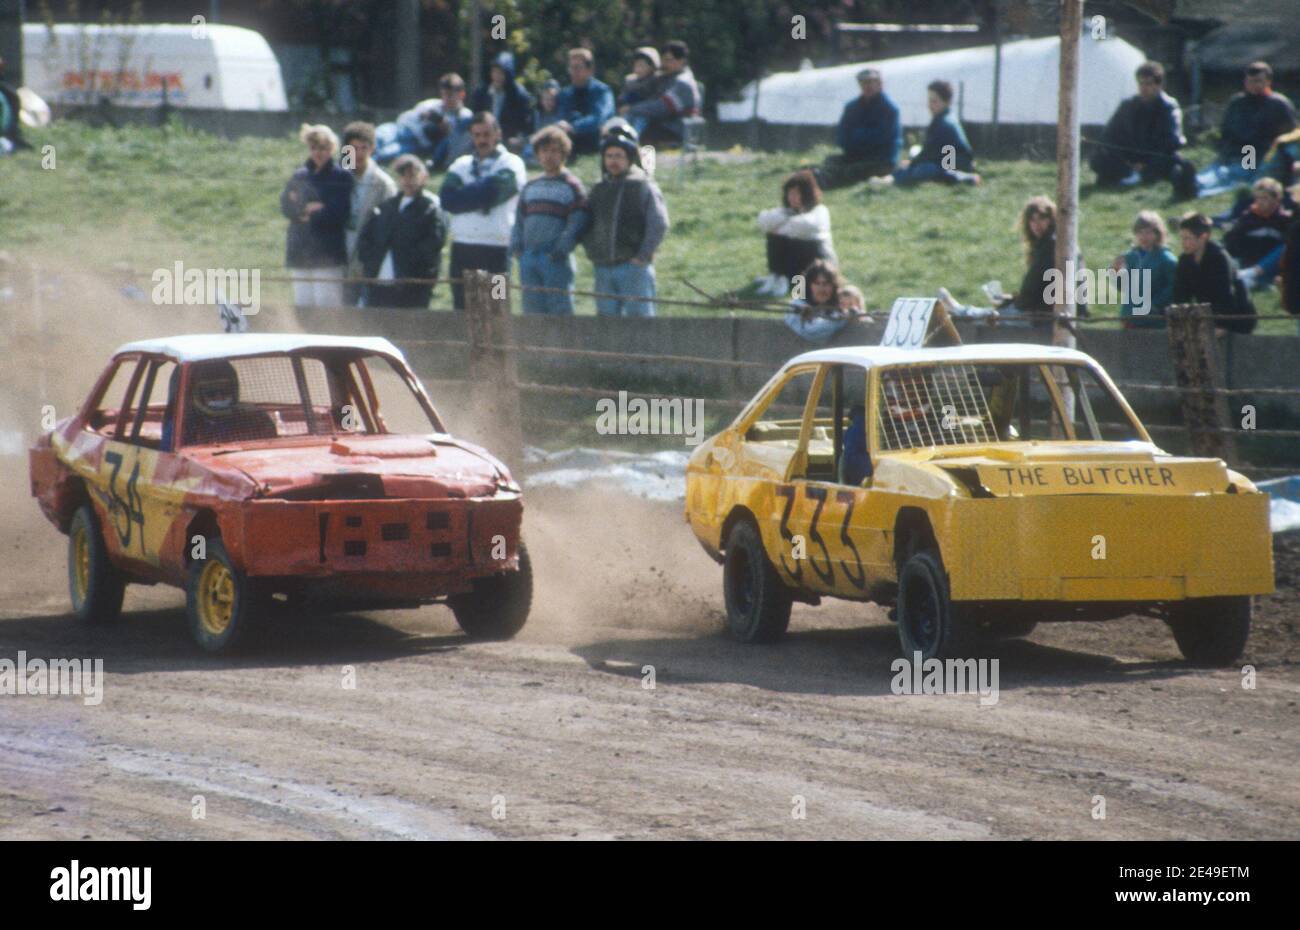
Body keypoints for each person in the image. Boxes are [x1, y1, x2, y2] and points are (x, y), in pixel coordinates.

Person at [439, 112, 528, 311]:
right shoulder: (460, 164)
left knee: (498, 305)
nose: (482, 140)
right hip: (462, 248)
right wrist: (483, 196)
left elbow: (495, 192)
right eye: (477, 135)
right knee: (461, 307)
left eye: (487, 134)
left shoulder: (512, 163)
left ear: (498, 134)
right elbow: (447, 200)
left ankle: (501, 343)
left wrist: (466, 196)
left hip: (498, 248)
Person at [580, 122, 669, 317]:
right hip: (603, 266)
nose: (613, 161)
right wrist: (593, 250)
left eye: (619, 156)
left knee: (640, 320)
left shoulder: (642, 186)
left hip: (632, 266)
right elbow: (585, 222)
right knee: (607, 321)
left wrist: (642, 256)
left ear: (629, 158)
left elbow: (659, 223)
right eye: (609, 156)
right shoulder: (598, 189)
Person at [511, 125, 590, 315]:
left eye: (555, 151)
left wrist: (561, 250)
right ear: (537, 154)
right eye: (544, 150)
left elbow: (577, 223)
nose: (549, 156)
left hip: (554, 258)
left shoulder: (572, 185)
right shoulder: (531, 185)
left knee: (559, 310)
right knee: (532, 310)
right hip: (529, 256)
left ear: (564, 154)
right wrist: (518, 248)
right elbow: (520, 219)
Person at [1090, 61, 1195, 198]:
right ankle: (1129, 173)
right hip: (1128, 157)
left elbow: (1173, 140)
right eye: (1141, 83)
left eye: (1148, 84)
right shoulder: (1128, 105)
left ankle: (1136, 175)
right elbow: (1109, 135)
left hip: (1154, 156)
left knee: (1172, 160)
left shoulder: (1169, 107)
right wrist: (1126, 159)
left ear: (1159, 85)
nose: (1144, 88)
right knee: (1098, 157)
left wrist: (1146, 162)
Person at [357, 155, 447, 309]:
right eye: (403, 175)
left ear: (423, 177)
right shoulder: (386, 207)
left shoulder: (430, 210)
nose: (407, 180)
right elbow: (366, 238)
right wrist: (370, 263)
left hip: (410, 288)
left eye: (412, 175)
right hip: (379, 285)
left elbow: (432, 246)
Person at [1196, 62, 1297, 198]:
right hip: (1233, 152)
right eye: (1250, 81)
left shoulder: (1279, 105)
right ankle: (1194, 184)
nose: (1253, 85)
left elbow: (1290, 137)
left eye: (1258, 81)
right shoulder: (1237, 102)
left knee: (1235, 174)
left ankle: (1202, 191)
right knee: (1216, 171)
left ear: (1268, 81)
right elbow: (1226, 131)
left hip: (1258, 154)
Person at [281, 123, 353, 309]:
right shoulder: (299, 175)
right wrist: (308, 210)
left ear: (332, 148)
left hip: (327, 253)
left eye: (323, 147)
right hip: (300, 250)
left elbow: (338, 213)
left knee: (327, 308)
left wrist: (307, 212)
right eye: (313, 147)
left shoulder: (341, 176)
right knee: (303, 306)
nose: (318, 153)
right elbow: (287, 206)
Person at [870, 80, 979, 187]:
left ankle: (891, 180)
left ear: (947, 102)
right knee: (918, 160)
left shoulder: (943, 123)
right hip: (953, 160)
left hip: (955, 162)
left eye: (934, 101)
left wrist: (912, 163)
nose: (930, 105)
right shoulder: (945, 117)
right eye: (929, 100)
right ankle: (892, 178)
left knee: (923, 169)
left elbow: (929, 153)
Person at [812, 69, 901, 190]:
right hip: (856, 154)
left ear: (880, 84)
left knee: (852, 170)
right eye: (863, 83)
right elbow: (842, 136)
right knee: (831, 160)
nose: (867, 86)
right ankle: (817, 178)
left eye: (871, 82)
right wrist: (859, 138)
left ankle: (824, 182)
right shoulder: (852, 107)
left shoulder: (889, 110)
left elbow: (881, 139)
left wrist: (858, 135)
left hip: (881, 160)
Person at [754, 170, 836, 296]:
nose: (792, 198)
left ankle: (789, 280)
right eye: (789, 193)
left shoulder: (820, 211)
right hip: (796, 262)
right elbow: (764, 221)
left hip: (818, 264)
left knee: (794, 240)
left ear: (807, 194)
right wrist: (779, 226)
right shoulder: (788, 211)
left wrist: (779, 227)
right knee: (774, 237)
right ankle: (777, 276)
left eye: (796, 194)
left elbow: (802, 227)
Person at [341, 122, 398, 306]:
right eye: (353, 148)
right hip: (341, 249)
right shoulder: (341, 174)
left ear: (372, 149)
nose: (358, 153)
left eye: (363, 148)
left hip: (366, 253)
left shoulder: (382, 183)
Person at [1173, 212, 1256, 336]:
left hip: (1236, 319)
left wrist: (1222, 325)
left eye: (1187, 238)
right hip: (1209, 317)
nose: (1183, 243)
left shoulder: (1219, 258)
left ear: (1203, 237)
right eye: (1182, 238)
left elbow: (1226, 297)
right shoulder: (1185, 260)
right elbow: (1180, 295)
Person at [375, 73, 473, 169]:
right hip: (398, 128)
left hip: (415, 142)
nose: (446, 98)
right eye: (443, 94)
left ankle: (364, 165)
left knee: (385, 153)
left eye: (450, 95)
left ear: (462, 94)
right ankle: (358, 168)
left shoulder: (465, 115)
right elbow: (408, 116)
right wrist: (427, 116)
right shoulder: (432, 104)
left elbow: (456, 140)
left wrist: (444, 127)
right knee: (375, 136)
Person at [623, 40, 701, 146]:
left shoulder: (683, 82)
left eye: (669, 60)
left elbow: (661, 107)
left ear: (681, 61)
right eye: (663, 60)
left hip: (677, 129)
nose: (664, 64)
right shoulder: (668, 77)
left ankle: (627, 146)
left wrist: (631, 108)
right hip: (664, 124)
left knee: (636, 125)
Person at [1224, 178, 1292, 290]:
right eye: (1258, 198)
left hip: (1271, 265)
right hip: (1248, 260)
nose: (1260, 202)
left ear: (1277, 199)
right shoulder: (1248, 218)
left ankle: (1253, 278)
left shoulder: (1284, 220)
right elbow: (1232, 242)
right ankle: (1247, 279)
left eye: (1265, 198)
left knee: (1288, 245)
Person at [1115, 210, 1178, 329]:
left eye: (1148, 233)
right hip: (1130, 317)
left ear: (1158, 234)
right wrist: (1116, 272)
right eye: (1140, 232)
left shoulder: (1166, 259)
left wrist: (1153, 305)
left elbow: (1173, 288)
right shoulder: (1131, 257)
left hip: (1154, 320)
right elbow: (1123, 287)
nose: (1144, 237)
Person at [555, 48, 616, 156]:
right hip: (570, 138)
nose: (573, 72)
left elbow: (599, 118)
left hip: (596, 137)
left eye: (577, 68)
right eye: (571, 68)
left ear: (590, 70)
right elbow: (561, 117)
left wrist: (574, 126)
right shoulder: (565, 93)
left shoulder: (602, 91)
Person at [469, 51, 534, 152]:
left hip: (508, 140)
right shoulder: (482, 92)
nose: (497, 76)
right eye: (494, 72)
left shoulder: (519, 95)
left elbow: (526, 123)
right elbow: (475, 116)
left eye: (501, 73)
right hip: (484, 137)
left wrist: (519, 138)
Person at [784, 260, 862, 342]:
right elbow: (811, 333)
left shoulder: (840, 307)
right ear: (809, 285)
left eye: (826, 284)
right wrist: (841, 319)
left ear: (834, 286)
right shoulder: (796, 306)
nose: (821, 289)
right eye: (817, 283)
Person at [618, 47, 665, 112]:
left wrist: (632, 108)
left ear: (652, 67)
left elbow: (656, 104)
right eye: (636, 65)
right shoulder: (630, 81)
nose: (637, 70)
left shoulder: (659, 81)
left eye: (642, 66)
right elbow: (622, 101)